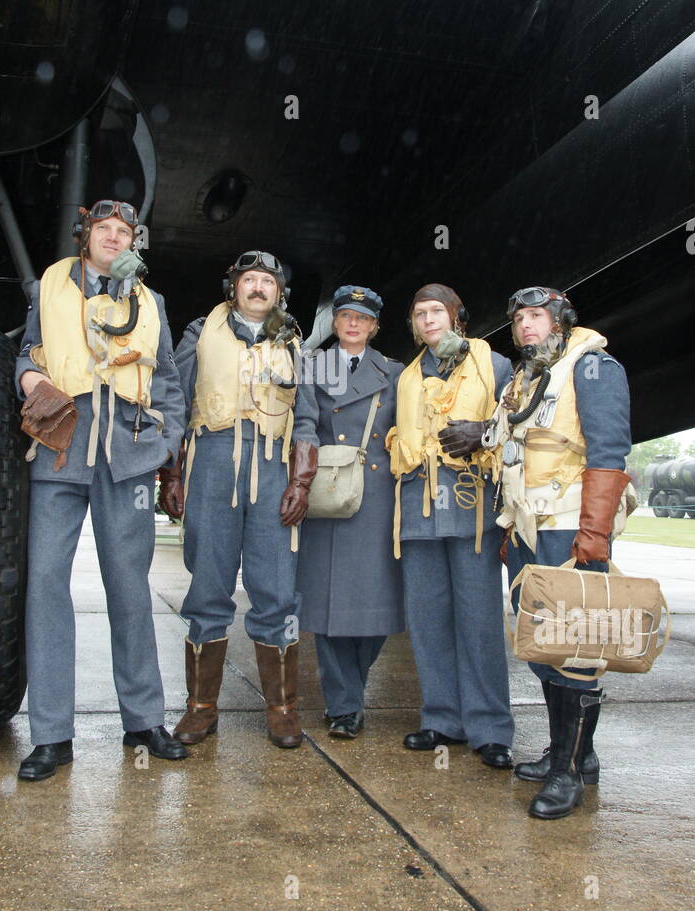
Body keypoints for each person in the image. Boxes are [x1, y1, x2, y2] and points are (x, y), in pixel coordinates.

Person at [14, 200, 187, 780]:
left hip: (129, 453)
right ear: (85, 237)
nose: (114, 239)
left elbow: (167, 380)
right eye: (104, 230)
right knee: (45, 584)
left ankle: (142, 720)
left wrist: (166, 446)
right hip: (61, 447)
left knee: (130, 588)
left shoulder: (150, 301)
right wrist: (30, 379)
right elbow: (26, 353)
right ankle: (50, 735)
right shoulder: (51, 287)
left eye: (125, 233)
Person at [158, 251, 319, 749]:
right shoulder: (198, 334)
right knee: (207, 588)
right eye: (248, 279)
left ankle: (282, 709)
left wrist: (302, 480)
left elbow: (308, 418)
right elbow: (175, 404)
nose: (257, 288)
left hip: (273, 466)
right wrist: (171, 474)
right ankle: (200, 709)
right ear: (234, 287)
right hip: (212, 461)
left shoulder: (293, 342)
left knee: (276, 591)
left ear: (278, 292)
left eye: (266, 281)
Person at [482, 286, 631, 819]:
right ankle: (573, 755)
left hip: (569, 529)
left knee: (577, 651)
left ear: (561, 322)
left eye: (538, 316)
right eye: (519, 317)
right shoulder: (525, 380)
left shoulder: (591, 368)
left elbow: (610, 452)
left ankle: (568, 776)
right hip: (527, 528)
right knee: (546, 645)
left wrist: (594, 533)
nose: (526, 326)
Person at [386, 284, 515, 767]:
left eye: (436, 311)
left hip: (471, 509)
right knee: (427, 619)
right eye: (419, 314)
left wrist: (483, 431)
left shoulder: (496, 366)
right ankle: (441, 718)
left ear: (457, 317)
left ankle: (490, 729)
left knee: (479, 621)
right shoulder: (407, 376)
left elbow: (517, 423)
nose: (428, 320)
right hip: (418, 510)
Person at [296, 286, 405, 737]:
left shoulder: (396, 373)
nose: (353, 324)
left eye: (362, 318)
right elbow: (304, 422)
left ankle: (350, 690)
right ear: (335, 323)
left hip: (376, 494)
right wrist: (303, 478)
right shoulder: (311, 368)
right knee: (329, 606)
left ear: (375, 326)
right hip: (328, 491)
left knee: (374, 606)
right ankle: (344, 705)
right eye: (345, 316)